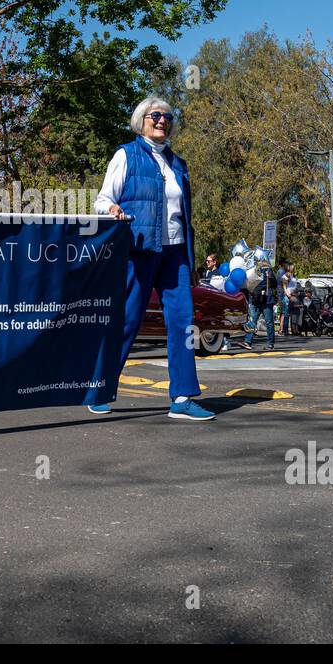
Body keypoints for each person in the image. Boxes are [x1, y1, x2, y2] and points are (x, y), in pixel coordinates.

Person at [90, 95, 213, 422]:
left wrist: (192, 259)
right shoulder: (126, 155)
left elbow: (185, 217)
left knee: (183, 323)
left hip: (175, 254)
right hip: (140, 249)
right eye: (155, 115)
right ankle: (100, 388)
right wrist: (112, 210)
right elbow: (102, 200)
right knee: (128, 320)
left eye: (168, 117)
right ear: (141, 120)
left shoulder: (179, 164)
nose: (162, 120)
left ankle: (183, 397)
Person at [243, 259, 278, 349]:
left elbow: (248, 286)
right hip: (263, 299)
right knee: (268, 322)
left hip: (258, 299)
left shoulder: (255, 271)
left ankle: (248, 341)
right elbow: (275, 284)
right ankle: (270, 343)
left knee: (254, 321)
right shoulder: (266, 271)